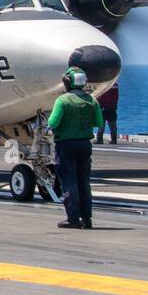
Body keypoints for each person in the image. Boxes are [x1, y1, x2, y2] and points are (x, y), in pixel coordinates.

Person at [48, 65, 104, 230]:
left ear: (67, 82)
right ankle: (87, 219)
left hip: (65, 145)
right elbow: (99, 122)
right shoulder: (91, 100)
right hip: (85, 145)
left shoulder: (63, 100)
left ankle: (73, 218)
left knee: (69, 182)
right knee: (84, 182)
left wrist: (45, 128)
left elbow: (53, 122)